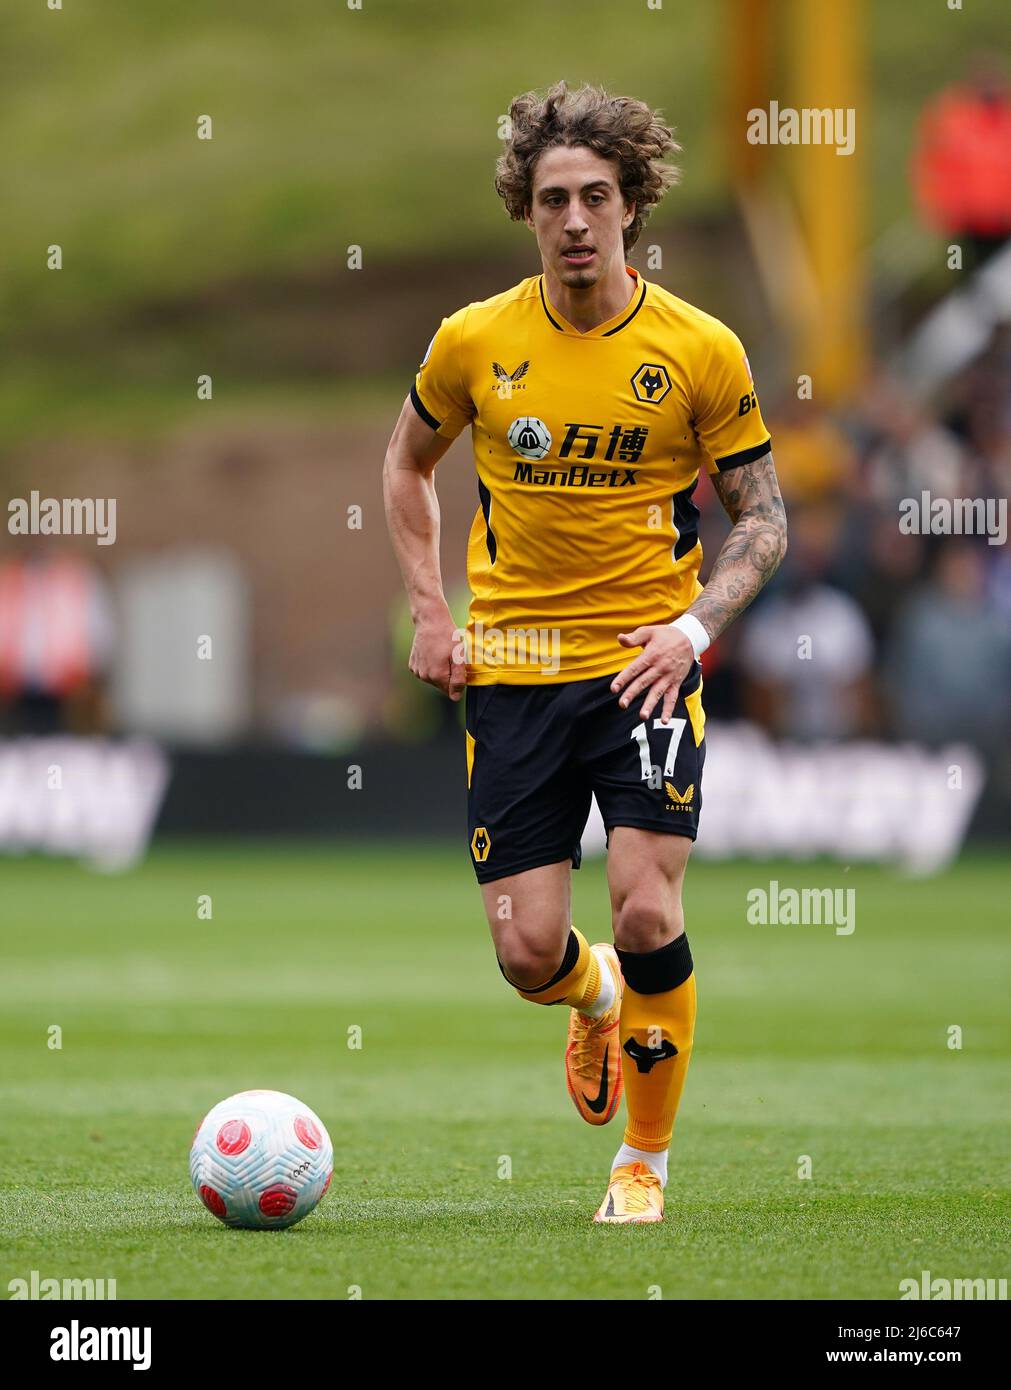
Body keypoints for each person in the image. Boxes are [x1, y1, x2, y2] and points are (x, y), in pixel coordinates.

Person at [383, 82, 787, 1224]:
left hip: (643, 663)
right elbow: (403, 467)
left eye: (595, 197)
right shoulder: (474, 340)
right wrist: (429, 608)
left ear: (630, 207)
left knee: (649, 907)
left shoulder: (698, 349)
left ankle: (643, 1164)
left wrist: (695, 627)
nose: (573, 219)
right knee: (525, 954)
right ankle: (593, 990)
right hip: (511, 667)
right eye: (552, 197)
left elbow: (765, 516)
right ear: (526, 209)